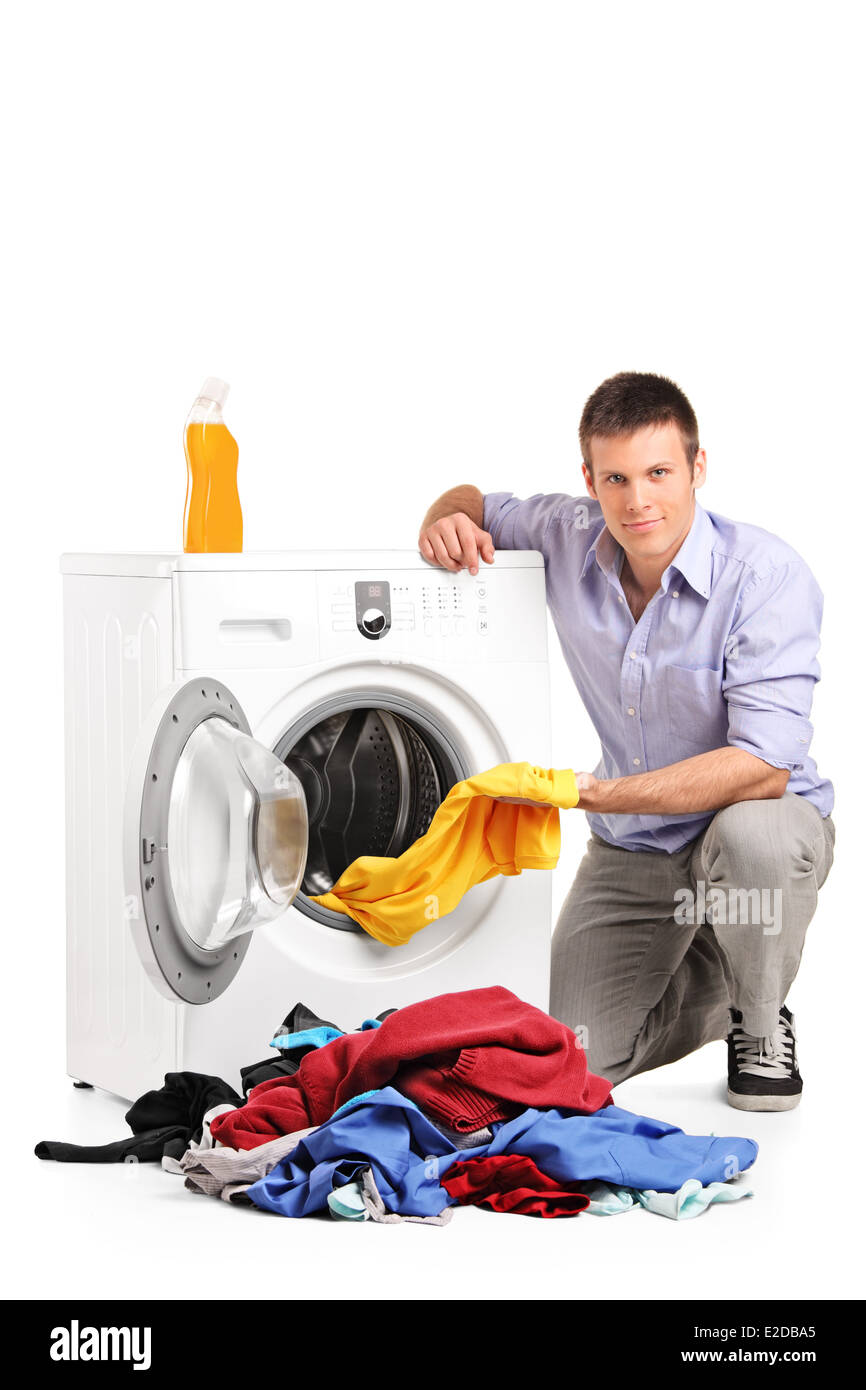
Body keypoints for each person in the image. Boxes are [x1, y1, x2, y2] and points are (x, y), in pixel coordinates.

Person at [417, 371, 835, 1111]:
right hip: (637, 845)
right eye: (616, 478)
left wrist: (588, 792)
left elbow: (765, 767)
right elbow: (475, 501)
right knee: (569, 1066)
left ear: (697, 468)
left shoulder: (766, 576)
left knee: (756, 839)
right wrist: (443, 517)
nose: (638, 501)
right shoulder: (565, 531)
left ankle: (760, 1017)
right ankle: (726, 975)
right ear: (590, 479)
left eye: (659, 473)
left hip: (754, 825)